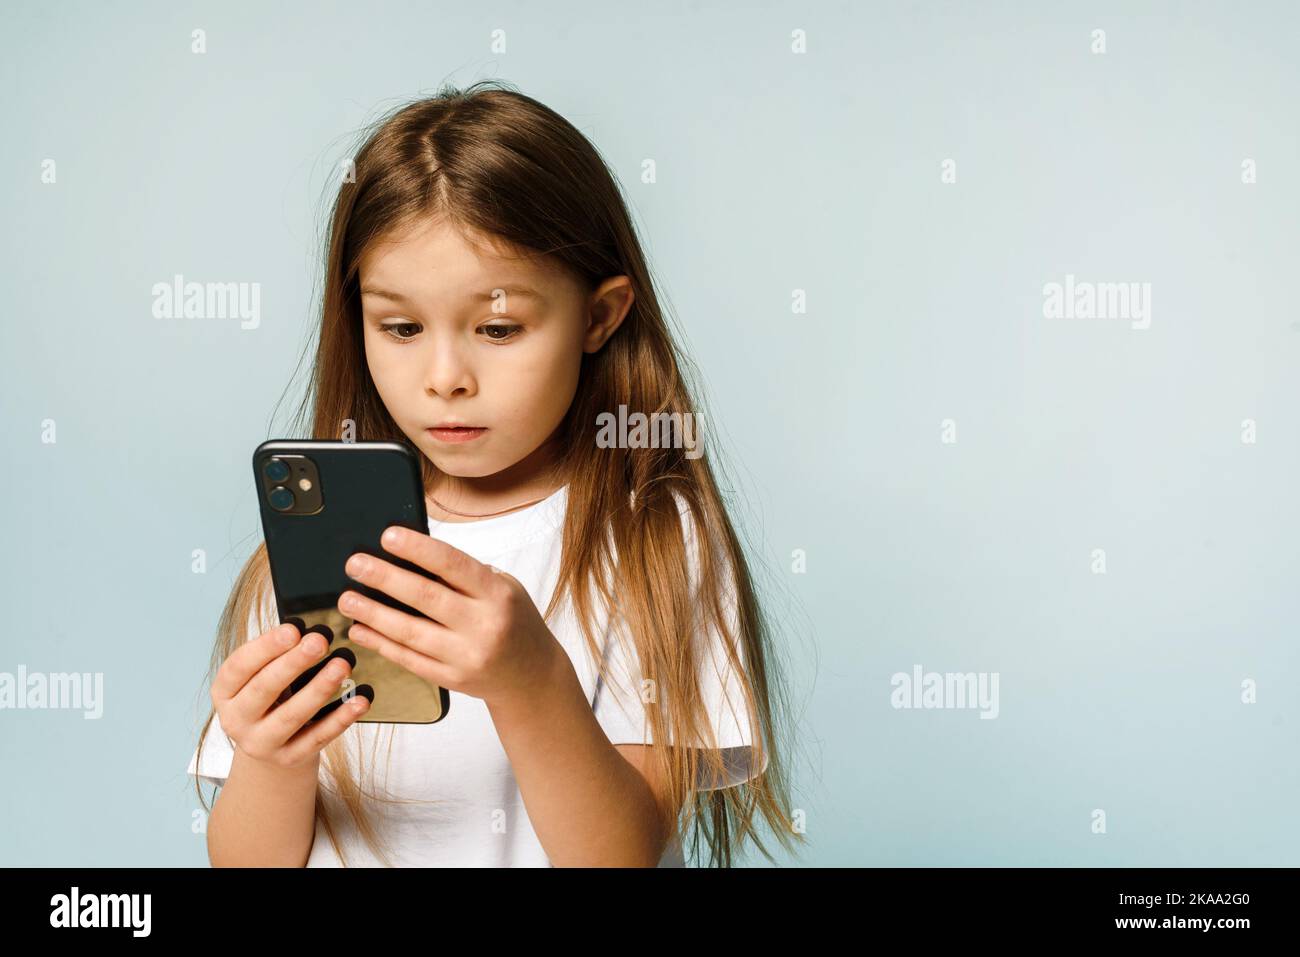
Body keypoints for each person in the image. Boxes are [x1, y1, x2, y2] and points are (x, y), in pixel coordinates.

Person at [186, 81, 803, 867]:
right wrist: (273, 758)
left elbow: (619, 857)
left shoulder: (650, 538)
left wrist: (530, 678)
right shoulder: (312, 552)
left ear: (598, 316)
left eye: (498, 327)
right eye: (401, 326)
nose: (445, 376)